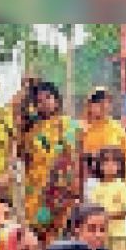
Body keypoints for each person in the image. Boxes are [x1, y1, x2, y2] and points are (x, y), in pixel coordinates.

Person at [19, 80, 80, 240]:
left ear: (57, 100)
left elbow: (73, 157)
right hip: (36, 192)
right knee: (37, 235)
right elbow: (24, 157)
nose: (44, 103)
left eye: (48, 97)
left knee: (61, 235)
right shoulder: (30, 130)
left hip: (61, 190)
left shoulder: (68, 124)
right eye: (39, 101)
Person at [80, 87, 126, 192]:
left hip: (113, 187)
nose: (103, 106)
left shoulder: (116, 129)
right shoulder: (80, 129)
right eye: (98, 102)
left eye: (106, 102)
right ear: (89, 106)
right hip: (88, 185)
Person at [87, 146, 126, 250]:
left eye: (114, 162)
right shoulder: (96, 188)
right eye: (105, 162)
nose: (110, 166)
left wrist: (107, 216)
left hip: (117, 235)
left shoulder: (122, 187)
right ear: (99, 166)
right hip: (99, 236)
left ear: (120, 166)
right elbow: (91, 210)